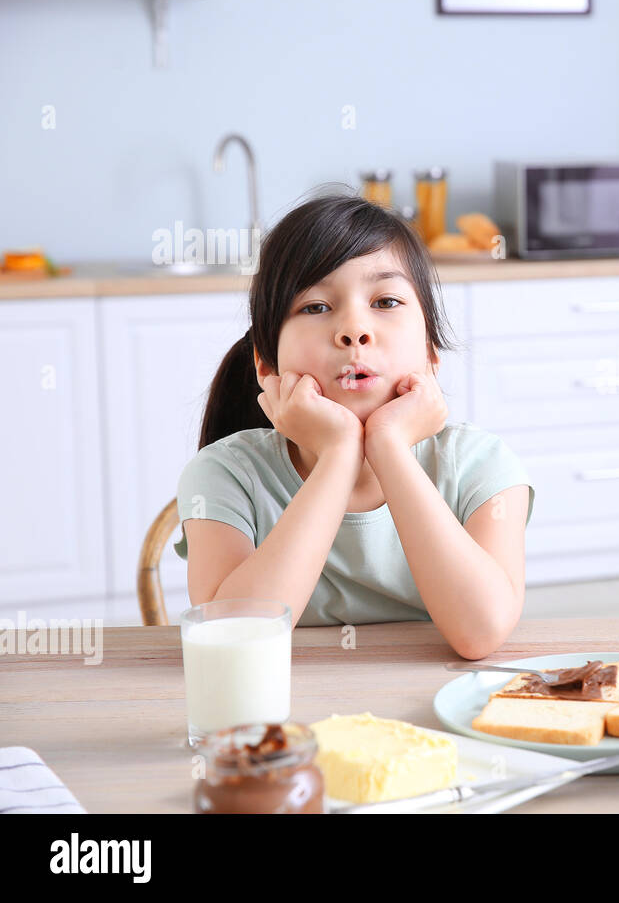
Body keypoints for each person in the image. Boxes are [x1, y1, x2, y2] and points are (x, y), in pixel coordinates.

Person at [175, 193, 534, 659]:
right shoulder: (224, 474)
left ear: (430, 354)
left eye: (385, 300)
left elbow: (480, 632)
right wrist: (338, 455)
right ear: (266, 365)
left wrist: (389, 447)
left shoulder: (482, 466)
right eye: (316, 307)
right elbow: (232, 642)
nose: (354, 330)